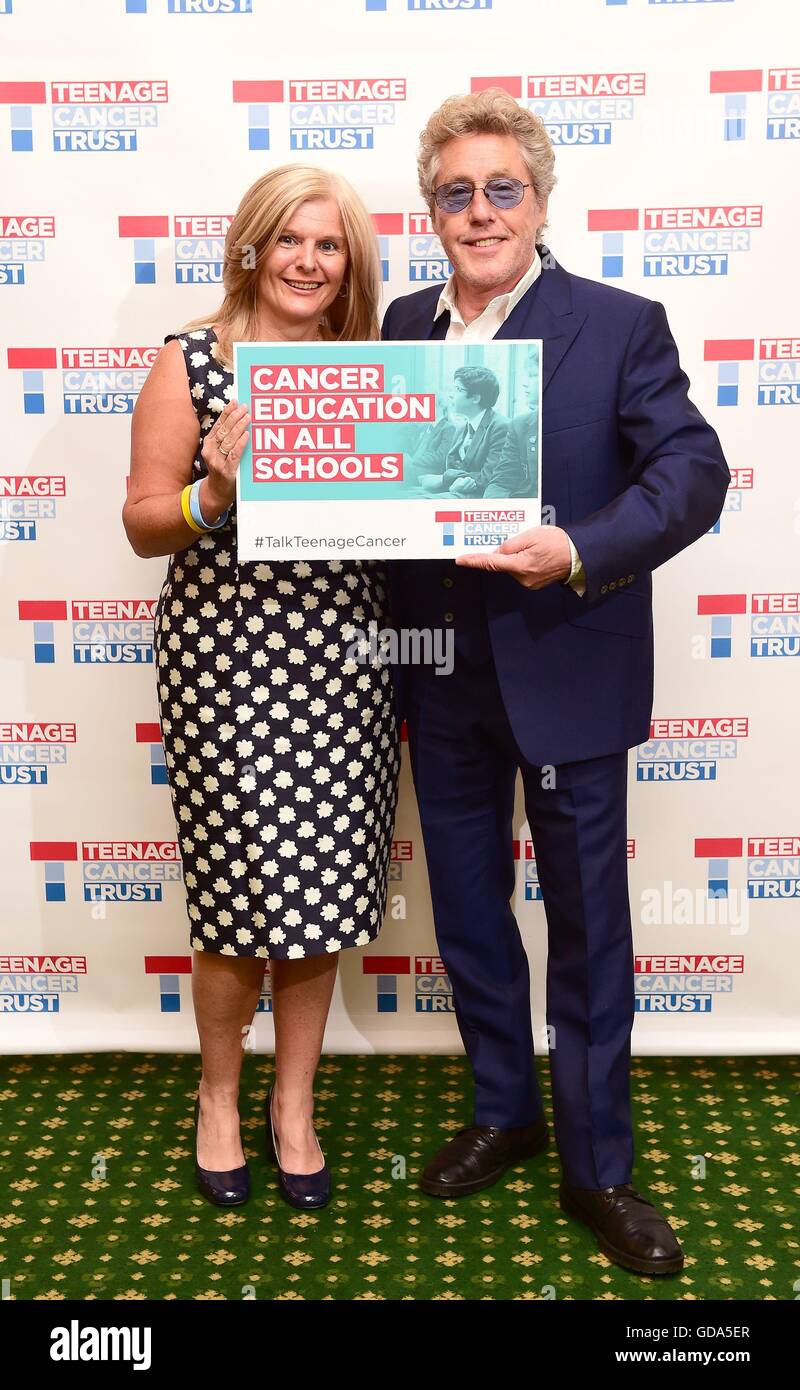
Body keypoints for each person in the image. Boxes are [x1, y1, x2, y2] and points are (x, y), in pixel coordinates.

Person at [382, 89, 730, 1276]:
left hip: (567, 663)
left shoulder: (619, 322)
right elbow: (367, 480)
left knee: (586, 931)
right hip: (434, 672)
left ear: (539, 198)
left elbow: (690, 470)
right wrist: (256, 461)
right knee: (471, 917)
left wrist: (577, 546)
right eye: (453, 192)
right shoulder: (401, 325)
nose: (477, 212)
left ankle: (597, 1168)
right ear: (430, 209)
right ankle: (503, 1111)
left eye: (499, 189)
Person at [124, 164, 400, 1211]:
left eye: (328, 246)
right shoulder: (191, 358)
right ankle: (217, 1095)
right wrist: (216, 488)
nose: (308, 262)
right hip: (227, 663)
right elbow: (144, 518)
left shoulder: (369, 370)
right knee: (240, 897)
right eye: (289, 240)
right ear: (251, 246)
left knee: (323, 893)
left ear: (349, 265)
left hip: (346, 663)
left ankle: (293, 1108)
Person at [420, 366, 509, 497]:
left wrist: (446, 479)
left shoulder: (500, 426)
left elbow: (489, 477)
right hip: (454, 491)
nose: (451, 395)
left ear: (475, 398)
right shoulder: (462, 428)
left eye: (458, 389)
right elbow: (451, 469)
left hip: (478, 497)